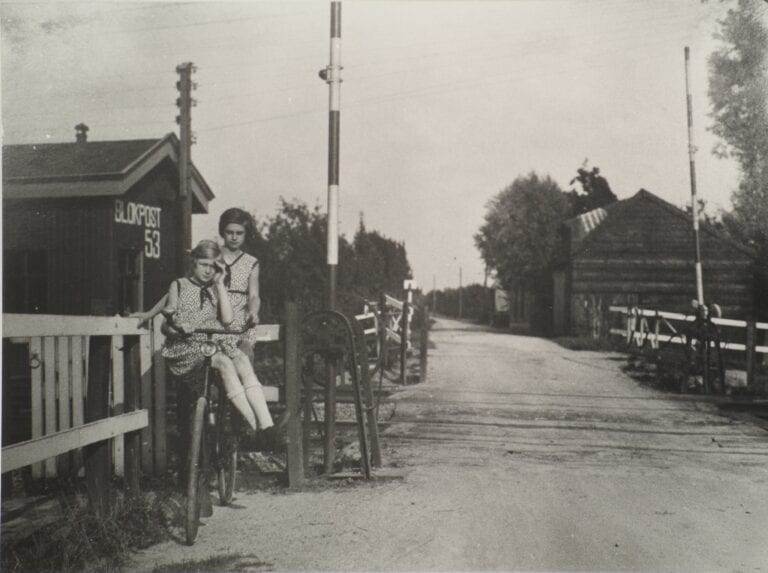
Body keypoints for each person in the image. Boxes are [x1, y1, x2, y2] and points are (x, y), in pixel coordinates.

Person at [161, 239, 274, 434]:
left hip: (211, 345)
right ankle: (253, 424)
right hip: (186, 348)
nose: (208, 271)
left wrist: (221, 284)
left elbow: (228, 319)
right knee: (224, 362)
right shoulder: (179, 285)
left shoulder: (217, 287)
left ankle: (266, 426)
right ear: (194, 262)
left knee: (241, 358)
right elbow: (167, 324)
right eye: (204, 265)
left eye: (213, 267)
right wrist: (179, 326)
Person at [217, 207, 262, 362]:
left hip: (241, 320)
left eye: (239, 233)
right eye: (230, 232)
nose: (234, 237)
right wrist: (150, 313)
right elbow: (184, 286)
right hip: (215, 316)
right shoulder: (211, 256)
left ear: (245, 234)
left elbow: (254, 295)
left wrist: (253, 312)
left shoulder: (251, 262)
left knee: (244, 357)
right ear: (222, 232)